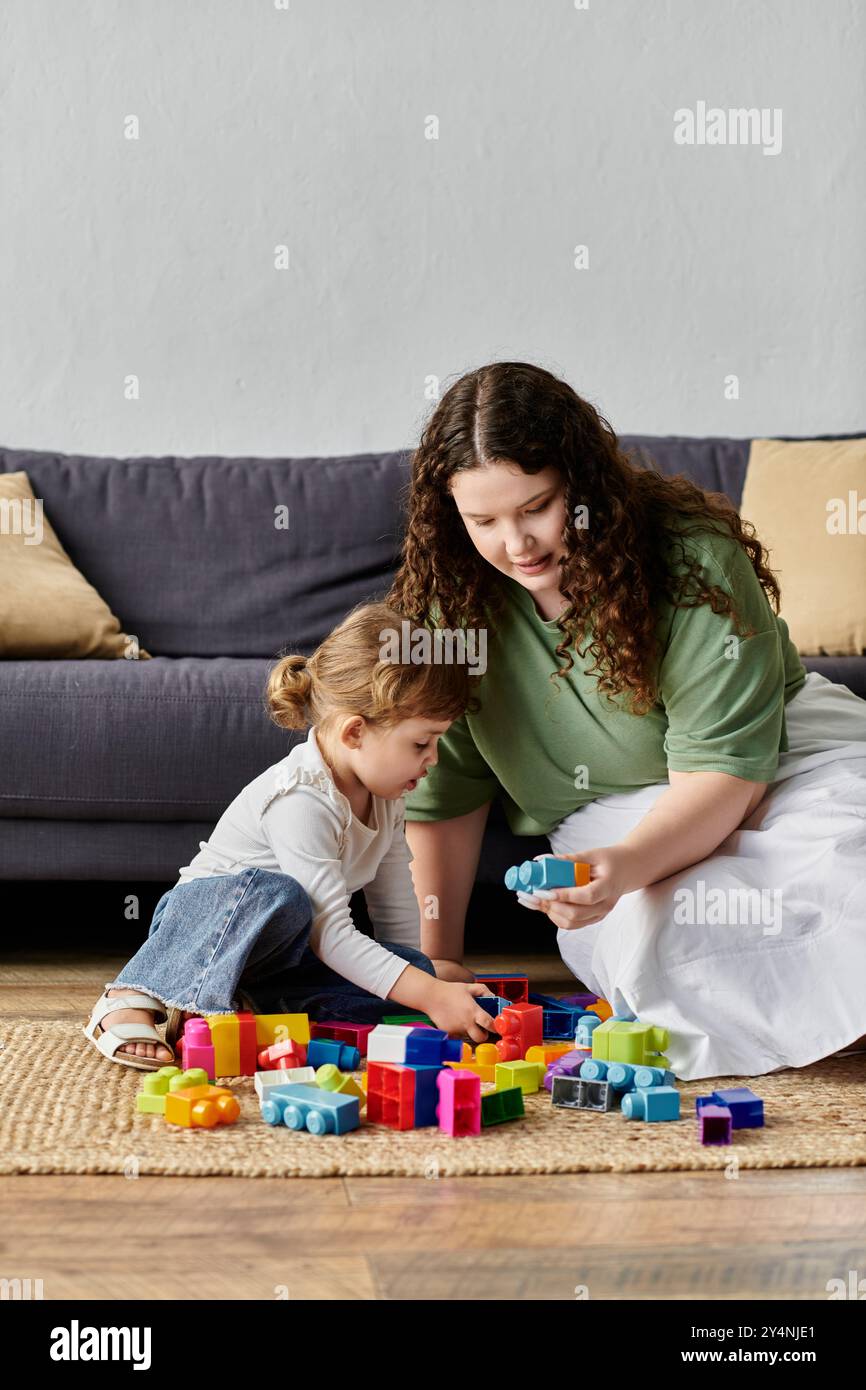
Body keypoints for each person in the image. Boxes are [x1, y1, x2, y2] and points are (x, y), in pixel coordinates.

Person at [388, 360, 866, 1080]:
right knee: (666, 934)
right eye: (482, 520)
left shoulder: (693, 556)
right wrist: (440, 959)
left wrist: (627, 867)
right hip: (613, 811)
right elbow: (442, 790)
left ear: (584, 482)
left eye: (537, 507)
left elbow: (727, 775)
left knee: (844, 867)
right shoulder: (450, 604)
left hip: (780, 759)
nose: (516, 544)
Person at [83, 602, 495, 1072]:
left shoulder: (387, 793)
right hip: (206, 926)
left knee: (412, 976)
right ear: (355, 732)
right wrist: (429, 992)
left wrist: (420, 976)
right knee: (283, 896)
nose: (434, 759)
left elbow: (394, 899)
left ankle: (245, 1005)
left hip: (284, 958)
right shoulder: (301, 798)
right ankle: (135, 992)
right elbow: (331, 933)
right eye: (421, 743)